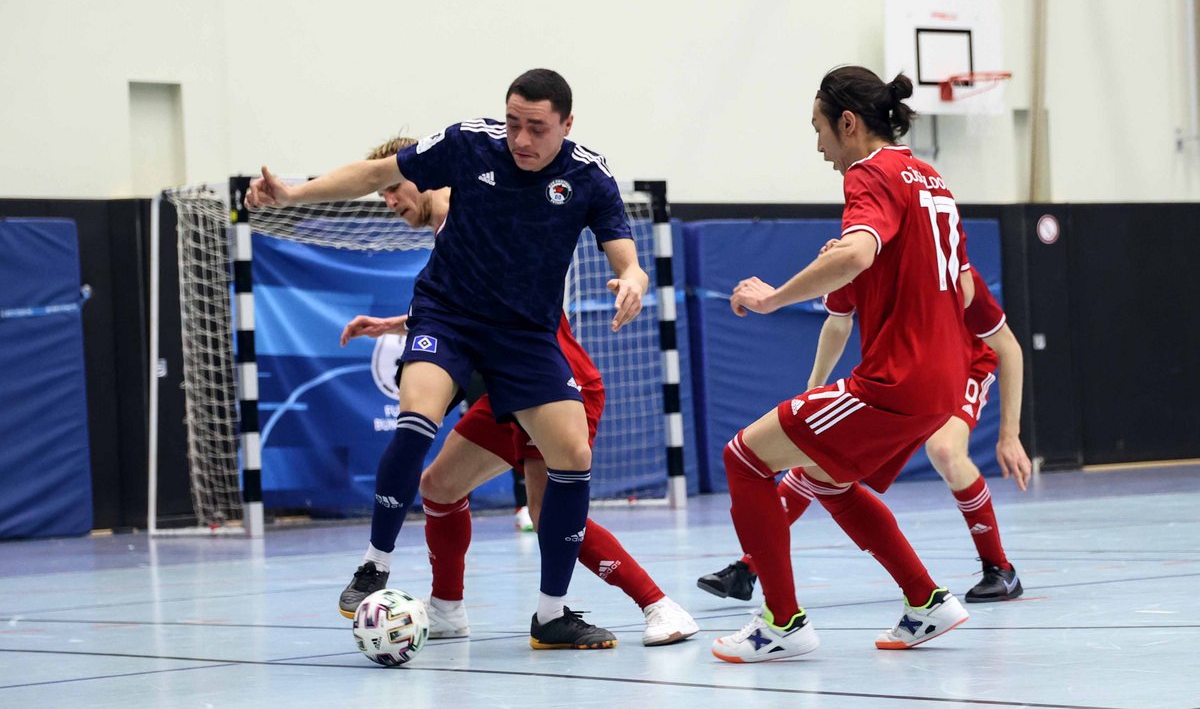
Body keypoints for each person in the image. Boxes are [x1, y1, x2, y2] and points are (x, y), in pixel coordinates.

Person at [246, 69, 648, 649]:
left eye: (537, 128)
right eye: (513, 123)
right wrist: (292, 191)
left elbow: (624, 258)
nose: (521, 139)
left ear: (566, 124)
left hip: (525, 335)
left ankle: (551, 615)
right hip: (448, 316)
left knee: (572, 455)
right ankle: (375, 563)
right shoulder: (467, 143)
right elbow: (377, 172)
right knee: (418, 416)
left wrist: (631, 279)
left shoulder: (588, 176)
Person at [338, 135, 698, 646]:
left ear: (427, 173)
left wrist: (630, 272)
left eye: (391, 188)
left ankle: (658, 605)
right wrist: (399, 325)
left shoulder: (482, 201)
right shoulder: (455, 229)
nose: (389, 201)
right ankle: (445, 610)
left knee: (546, 507)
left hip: (554, 380)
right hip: (504, 387)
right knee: (439, 486)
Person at [709, 65, 974, 663]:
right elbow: (949, 283)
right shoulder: (931, 178)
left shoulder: (869, 172)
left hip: (896, 378)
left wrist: (773, 297)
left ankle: (781, 622)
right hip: (945, 378)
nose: (820, 146)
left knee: (744, 458)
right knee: (829, 479)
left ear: (848, 123)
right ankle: (926, 601)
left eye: (820, 129)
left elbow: (857, 252)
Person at [698, 266, 1032, 605]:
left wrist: (1009, 434)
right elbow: (837, 321)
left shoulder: (944, 267)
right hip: (906, 375)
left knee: (945, 450)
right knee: (820, 454)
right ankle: (750, 567)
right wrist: (814, 389)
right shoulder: (860, 255)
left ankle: (999, 567)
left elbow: (1009, 348)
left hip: (960, 367)